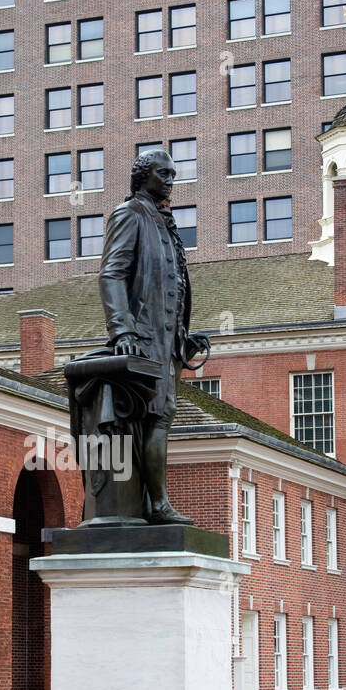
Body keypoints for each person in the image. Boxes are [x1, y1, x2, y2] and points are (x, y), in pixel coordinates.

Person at [97, 149, 210, 524]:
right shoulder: (130, 213)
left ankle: (152, 503)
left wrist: (184, 334)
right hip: (143, 338)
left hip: (168, 341)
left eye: (174, 174)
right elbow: (112, 274)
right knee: (157, 416)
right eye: (164, 173)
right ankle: (156, 505)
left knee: (161, 417)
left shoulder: (163, 220)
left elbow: (169, 287)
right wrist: (123, 329)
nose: (171, 181)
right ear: (144, 175)